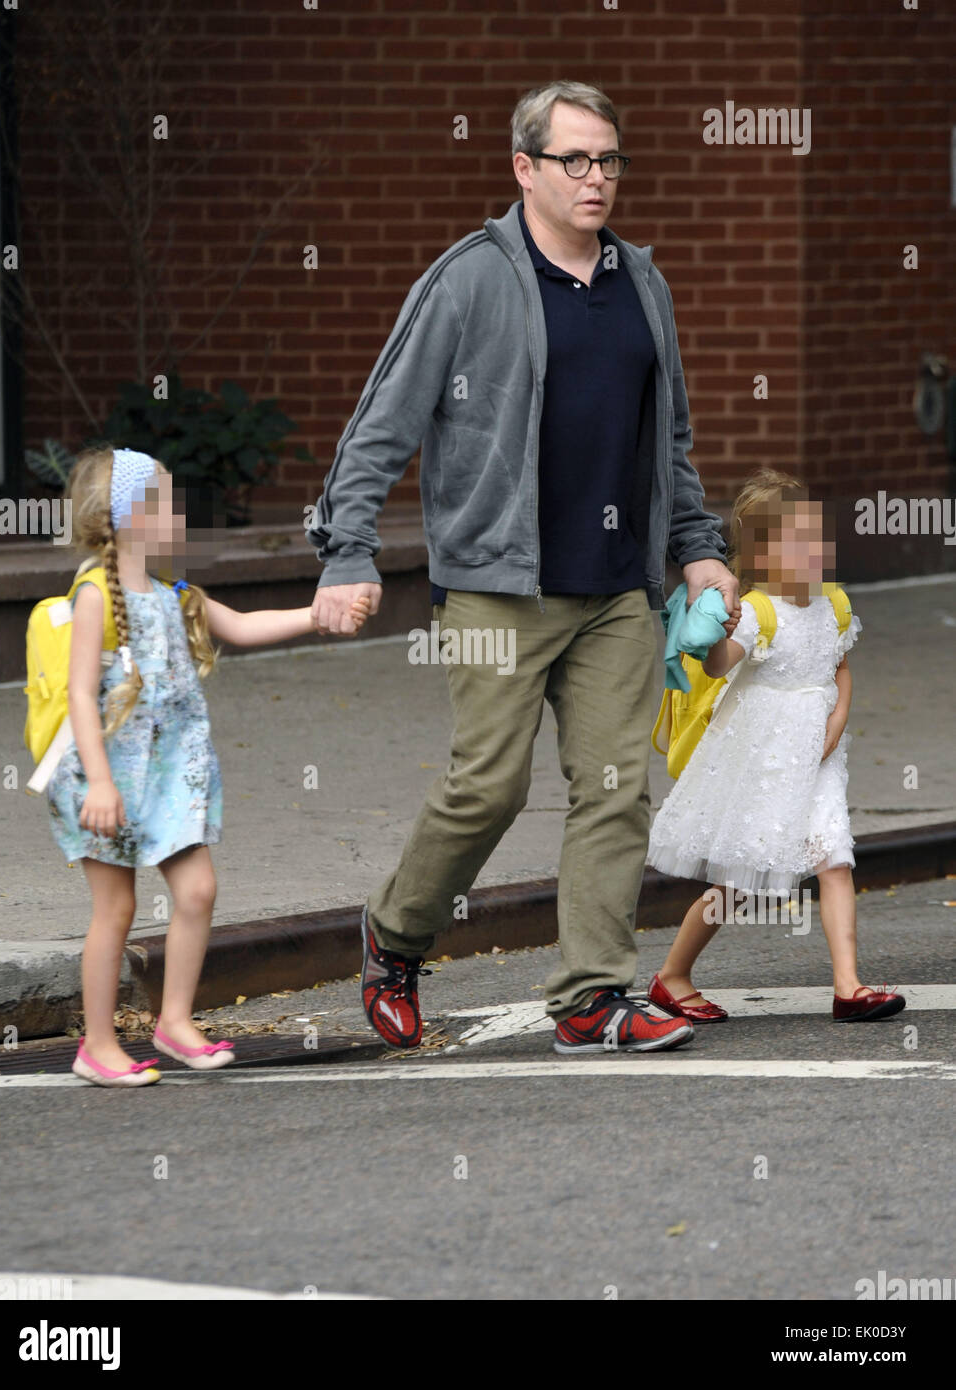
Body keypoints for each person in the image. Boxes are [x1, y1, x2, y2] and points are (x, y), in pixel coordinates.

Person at [307, 80, 740, 1054]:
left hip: (618, 586)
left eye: (611, 160)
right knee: (489, 787)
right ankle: (398, 932)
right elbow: (384, 422)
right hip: (502, 582)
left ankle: (591, 998)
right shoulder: (470, 279)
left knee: (618, 785)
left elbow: (670, 438)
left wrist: (701, 552)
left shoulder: (643, 283)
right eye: (575, 160)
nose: (597, 179)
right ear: (524, 168)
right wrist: (347, 548)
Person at [49, 446, 369, 1086]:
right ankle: (99, 1044)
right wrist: (103, 783)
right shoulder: (94, 596)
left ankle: (173, 1022)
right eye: (167, 502)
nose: (180, 512)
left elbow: (244, 626)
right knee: (115, 909)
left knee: (197, 891)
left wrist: (319, 615)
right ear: (129, 518)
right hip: (105, 780)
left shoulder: (175, 591)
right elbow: (79, 693)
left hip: (168, 779)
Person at [645, 468, 905, 1024]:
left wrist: (835, 725)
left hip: (819, 757)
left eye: (818, 539)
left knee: (834, 857)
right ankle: (672, 976)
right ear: (762, 558)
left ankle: (849, 985)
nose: (814, 553)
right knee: (738, 881)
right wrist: (710, 628)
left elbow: (840, 669)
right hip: (762, 761)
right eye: (798, 545)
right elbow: (715, 668)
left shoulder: (833, 604)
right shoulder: (759, 614)